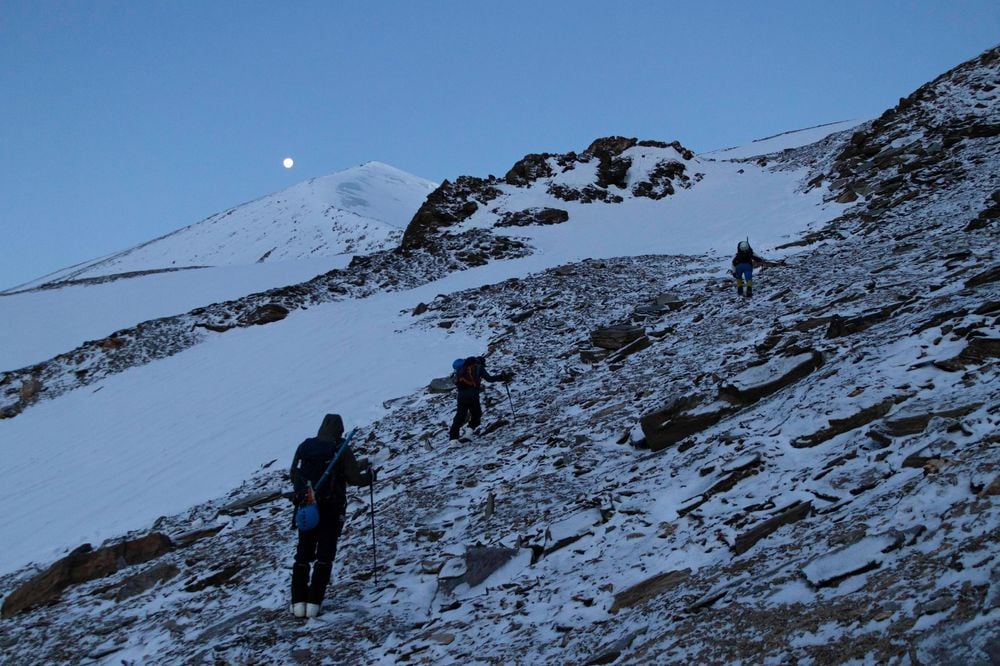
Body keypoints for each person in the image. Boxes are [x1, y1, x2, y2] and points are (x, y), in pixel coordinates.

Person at [288, 413, 374, 619]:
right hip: (331, 509)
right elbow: (354, 478)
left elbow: (293, 473)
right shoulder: (340, 448)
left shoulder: (305, 446)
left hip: (307, 507)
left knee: (303, 553)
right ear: (339, 429)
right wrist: (370, 477)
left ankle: (298, 602)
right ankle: (314, 603)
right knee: (324, 555)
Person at [449, 356, 512, 442]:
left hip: (461, 396)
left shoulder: (460, 370)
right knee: (476, 414)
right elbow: (489, 379)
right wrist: (501, 377)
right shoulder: (478, 367)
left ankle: (453, 439)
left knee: (460, 416)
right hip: (473, 395)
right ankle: (468, 434)